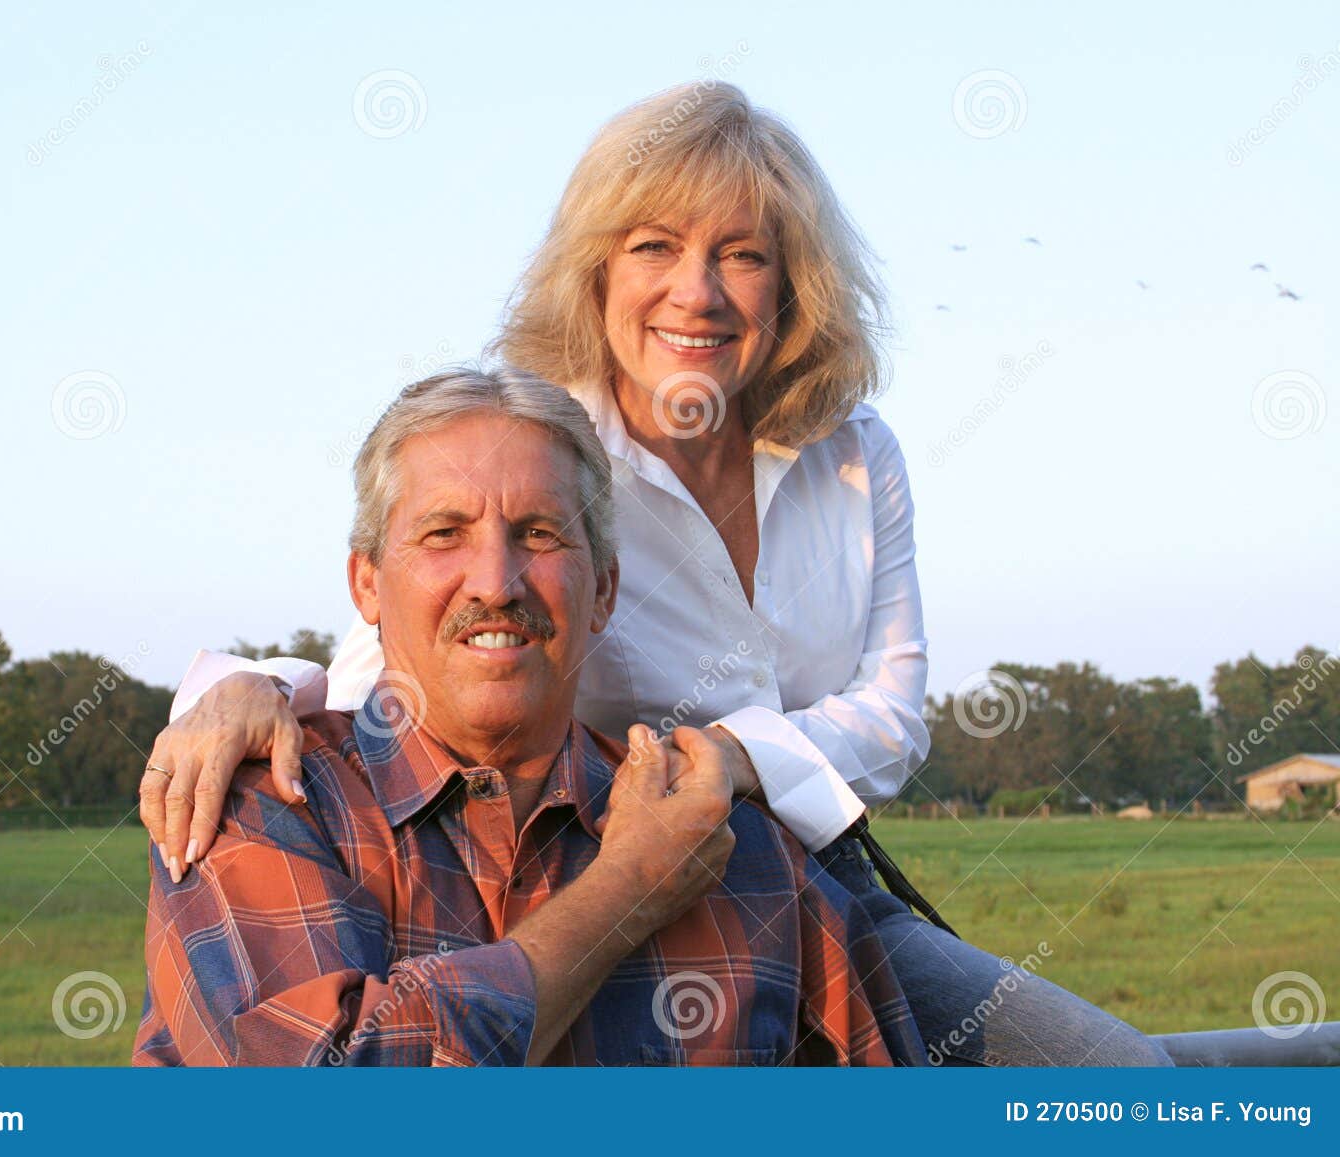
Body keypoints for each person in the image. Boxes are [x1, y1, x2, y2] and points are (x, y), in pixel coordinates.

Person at [140, 83, 1169, 1066]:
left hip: (800, 870)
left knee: (1115, 1075)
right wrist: (251, 691)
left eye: (742, 254)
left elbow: (893, 718)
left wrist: (727, 755)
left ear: (793, 284)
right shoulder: (546, 455)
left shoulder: (855, 454)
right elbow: (419, 652)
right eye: (654, 247)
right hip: (580, 862)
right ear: (595, 271)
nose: (697, 291)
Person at [133, 369, 925, 1066]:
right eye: (444, 533)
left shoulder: (735, 849)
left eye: (539, 534)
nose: (496, 581)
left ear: (603, 590)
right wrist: (627, 886)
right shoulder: (260, 807)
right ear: (366, 583)